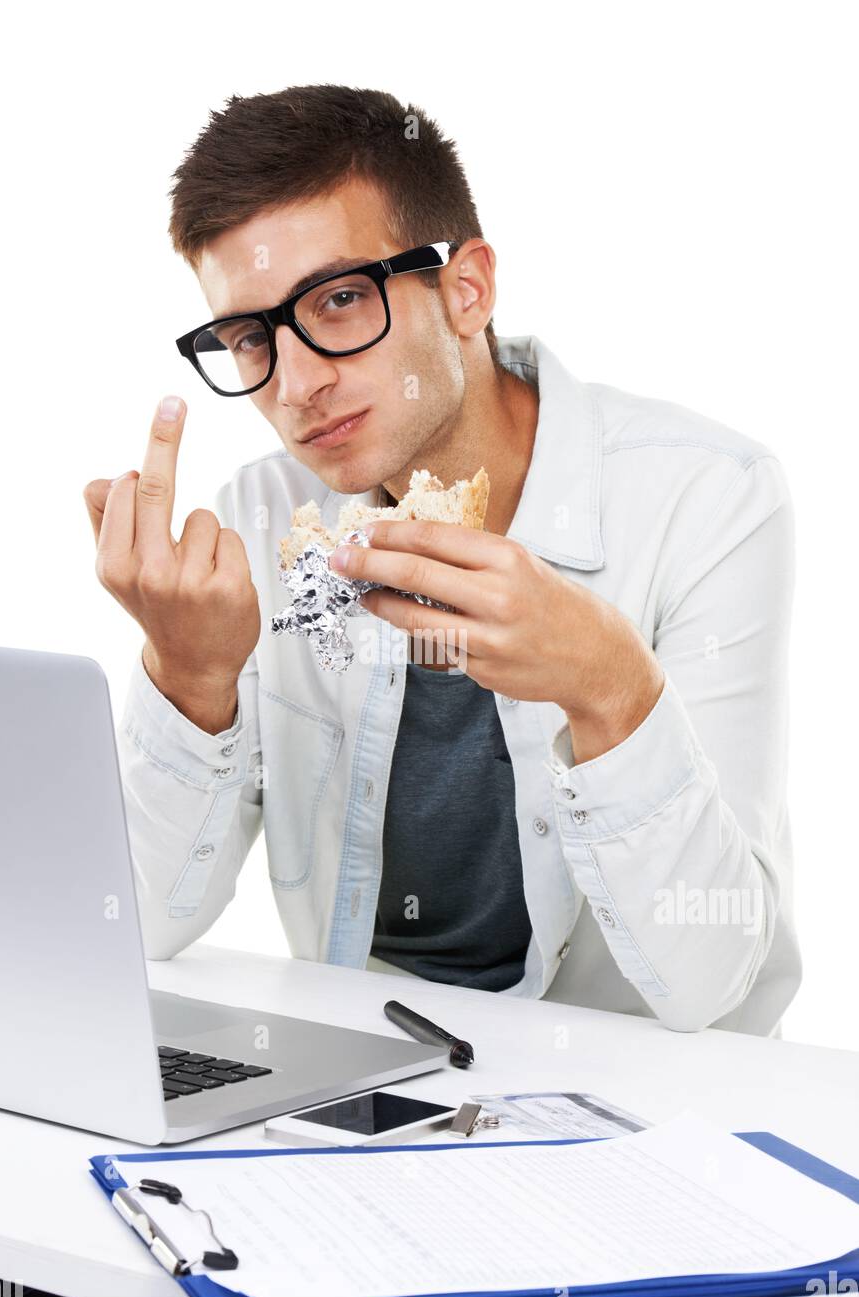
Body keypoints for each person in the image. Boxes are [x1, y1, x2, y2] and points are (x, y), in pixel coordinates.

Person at [83, 85, 798, 1035]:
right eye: (252, 337)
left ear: (467, 289)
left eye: (340, 300)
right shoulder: (262, 519)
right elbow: (141, 921)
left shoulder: (710, 499)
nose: (296, 385)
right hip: (369, 1061)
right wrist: (188, 676)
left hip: (640, 1089)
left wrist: (610, 689)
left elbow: (712, 985)